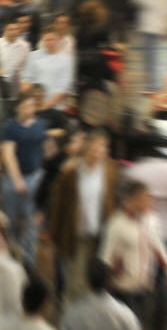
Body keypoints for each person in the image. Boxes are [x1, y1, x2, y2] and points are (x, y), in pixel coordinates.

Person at [99, 180, 167, 324]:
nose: (149, 202)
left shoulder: (152, 221)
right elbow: (105, 257)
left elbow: (160, 249)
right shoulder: (116, 224)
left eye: (149, 198)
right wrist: (102, 289)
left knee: (134, 326)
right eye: (144, 199)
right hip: (122, 288)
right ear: (131, 200)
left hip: (144, 286)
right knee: (126, 327)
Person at [49, 129, 118, 301]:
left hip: (98, 235)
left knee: (93, 282)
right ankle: (69, 317)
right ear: (86, 148)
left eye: (103, 147)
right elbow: (58, 206)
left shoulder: (109, 171)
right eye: (97, 147)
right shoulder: (71, 173)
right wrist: (54, 238)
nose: (100, 151)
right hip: (75, 235)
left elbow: (111, 201)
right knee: (75, 282)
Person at [0, 92, 48, 265]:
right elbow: (8, 154)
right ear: (18, 107)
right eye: (26, 105)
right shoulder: (10, 127)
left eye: (32, 106)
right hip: (13, 180)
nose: (29, 109)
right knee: (10, 221)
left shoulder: (40, 125)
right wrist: (17, 179)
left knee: (31, 222)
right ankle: (10, 257)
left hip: (35, 177)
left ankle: (28, 262)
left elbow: (45, 149)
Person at [23, 28, 74, 111]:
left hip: (55, 107)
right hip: (33, 105)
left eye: (52, 39)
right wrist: (29, 102)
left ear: (58, 40)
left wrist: (45, 106)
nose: (49, 43)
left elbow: (63, 88)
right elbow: (26, 80)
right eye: (46, 40)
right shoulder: (33, 55)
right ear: (42, 41)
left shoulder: (66, 60)